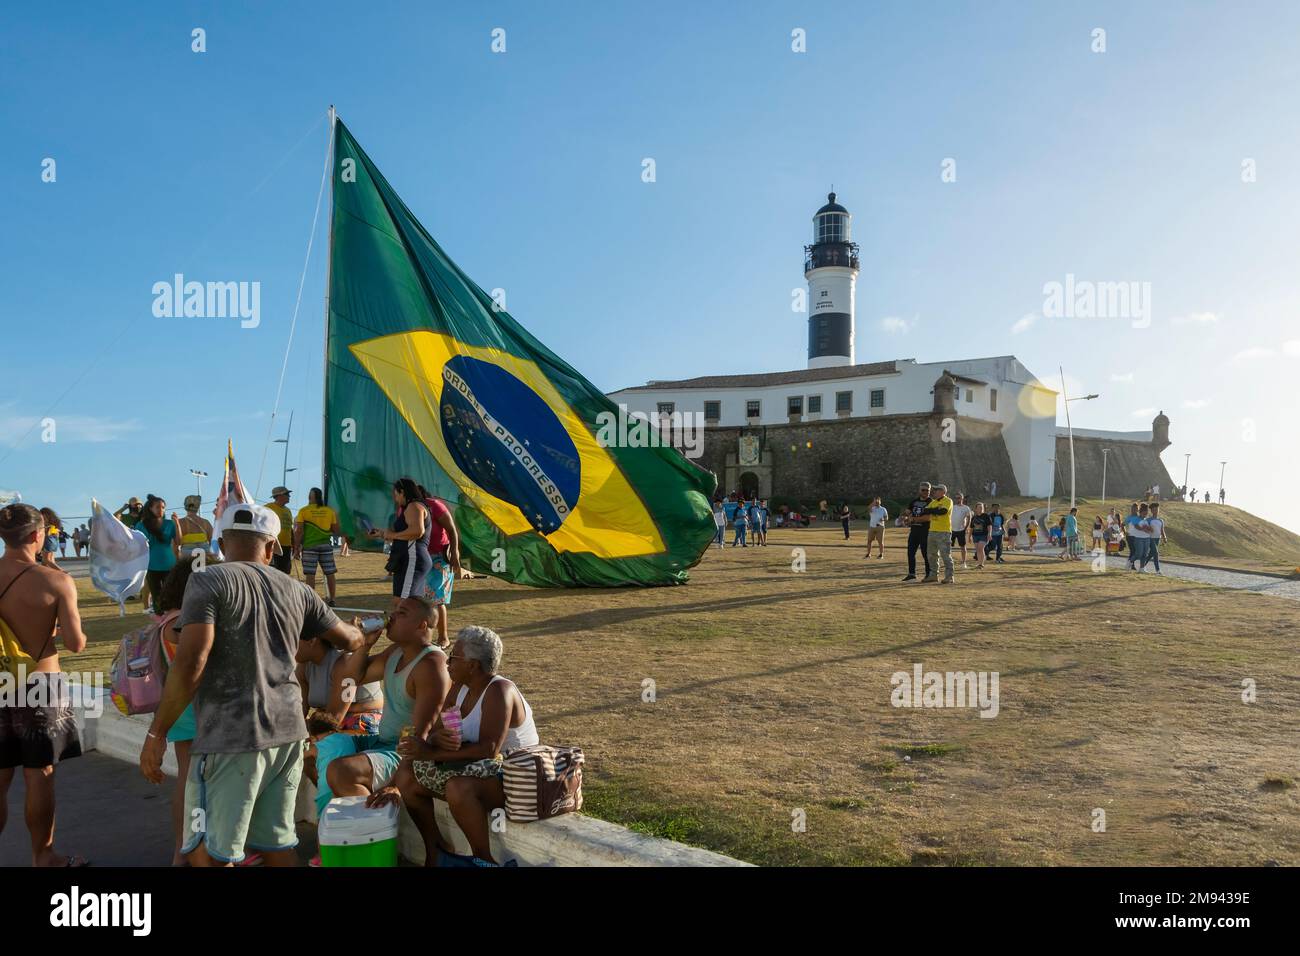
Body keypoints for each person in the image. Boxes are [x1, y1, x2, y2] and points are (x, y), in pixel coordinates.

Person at [140, 503, 363, 866]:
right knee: (276, 845)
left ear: (223, 544)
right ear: (272, 547)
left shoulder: (207, 580)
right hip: (288, 733)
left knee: (210, 852)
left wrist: (156, 734)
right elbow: (346, 639)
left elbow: (192, 661)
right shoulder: (298, 590)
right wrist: (361, 633)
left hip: (231, 736)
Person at [390, 625, 539, 867]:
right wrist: (434, 741)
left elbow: (489, 749)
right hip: (478, 770)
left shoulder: (499, 691)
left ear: (473, 665)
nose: (447, 662)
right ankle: (435, 849)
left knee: (458, 788)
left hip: (516, 778)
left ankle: (484, 859)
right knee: (406, 776)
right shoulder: (459, 688)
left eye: (454, 658)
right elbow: (438, 731)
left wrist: (431, 751)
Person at [0, 503, 88, 867]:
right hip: (40, 684)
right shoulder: (55, 581)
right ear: (38, 535)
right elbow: (75, 643)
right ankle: (43, 856)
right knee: (40, 774)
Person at [314, 596, 450, 822]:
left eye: (402, 613)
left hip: (405, 752)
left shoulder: (431, 665)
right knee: (324, 747)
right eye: (395, 610)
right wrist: (364, 645)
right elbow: (351, 678)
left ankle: (369, 836)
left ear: (422, 625)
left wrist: (399, 785)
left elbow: (420, 735)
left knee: (341, 771)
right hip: (383, 741)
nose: (392, 615)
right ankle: (330, 832)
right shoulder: (396, 652)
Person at [153, 555, 213, 865]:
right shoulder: (190, 619)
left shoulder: (165, 619)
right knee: (202, 786)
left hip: (177, 707)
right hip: (199, 708)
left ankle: (181, 852)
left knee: (187, 783)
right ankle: (193, 851)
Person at [369, 478, 431, 608]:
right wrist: (382, 533)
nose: (395, 498)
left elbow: (417, 531)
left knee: (404, 604)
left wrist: (393, 535)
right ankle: (417, 627)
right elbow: (406, 533)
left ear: (402, 492)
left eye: (396, 494)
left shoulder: (414, 506)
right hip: (406, 560)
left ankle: (414, 627)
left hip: (413, 559)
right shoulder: (410, 507)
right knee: (404, 602)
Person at [417, 485, 464, 647]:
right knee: (420, 599)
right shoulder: (407, 509)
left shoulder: (434, 505)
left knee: (437, 599)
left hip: (439, 558)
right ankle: (423, 636)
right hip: (420, 557)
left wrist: (455, 554)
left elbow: (452, 530)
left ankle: (443, 637)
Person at [295, 488, 340, 607]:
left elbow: (299, 531)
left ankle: (312, 601)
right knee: (330, 573)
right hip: (326, 545)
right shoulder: (330, 511)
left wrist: (296, 547)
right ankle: (333, 599)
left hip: (310, 546)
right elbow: (336, 530)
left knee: (310, 574)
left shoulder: (303, 511)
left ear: (310, 497)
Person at [139, 495, 180, 611]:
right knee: (157, 596)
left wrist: (177, 524)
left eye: (163, 507)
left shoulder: (169, 524)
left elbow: (178, 541)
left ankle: (171, 620)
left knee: (171, 594)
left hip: (169, 564)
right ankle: (160, 621)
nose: (160, 510)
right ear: (150, 509)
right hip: (151, 565)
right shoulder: (142, 525)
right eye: (157, 507)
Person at [920, 483, 954, 584]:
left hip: (944, 531)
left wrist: (932, 511)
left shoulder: (948, 501)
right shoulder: (934, 502)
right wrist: (935, 510)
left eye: (938, 490)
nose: (935, 492)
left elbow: (943, 511)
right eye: (935, 490)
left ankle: (949, 576)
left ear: (943, 492)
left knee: (945, 555)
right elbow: (924, 511)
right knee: (931, 554)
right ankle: (933, 575)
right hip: (932, 531)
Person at [902, 482, 933, 582]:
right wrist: (906, 518)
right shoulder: (914, 501)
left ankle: (928, 574)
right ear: (919, 490)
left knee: (926, 554)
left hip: (925, 531)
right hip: (914, 531)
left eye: (927, 490)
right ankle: (912, 574)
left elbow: (928, 518)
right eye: (923, 490)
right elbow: (907, 512)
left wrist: (913, 519)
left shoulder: (931, 502)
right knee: (910, 552)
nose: (925, 492)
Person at [263, 486, 295, 575]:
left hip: (286, 546)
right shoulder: (268, 508)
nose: (289, 496)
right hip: (273, 546)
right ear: (279, 496)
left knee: (285, 572)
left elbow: (290, 528)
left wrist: (294, 543)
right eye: (287, 494)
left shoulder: (288, 510)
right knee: (272, 572)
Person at [176, 495, 213, 562]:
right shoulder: (206, 522)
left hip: (187, 554)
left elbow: (177, 542)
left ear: (185, 506)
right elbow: (213, 541)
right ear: (198, 507)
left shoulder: (180, 522)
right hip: (204, 553)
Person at [1141, 502, 1167, 573]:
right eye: (1154, 509)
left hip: (1157, 539)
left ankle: (1142, 566)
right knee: (1156, 553)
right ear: (1152, 511)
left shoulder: (1161, 520)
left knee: (1152, 553)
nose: (1156, 511)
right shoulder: (1148, 520)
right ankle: (1158, 570)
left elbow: (1162, 530)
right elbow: (1144, 528)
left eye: (1157, 509)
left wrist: (1164, 537)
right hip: (1150, 538)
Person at [949, 493, 971, 568]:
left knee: (963, 547)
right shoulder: (952, 507)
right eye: (956, 498)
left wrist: (965, 528)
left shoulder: (966, 508)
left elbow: (969, 518)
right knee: (948, 546)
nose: (957, 499)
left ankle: (963, 562)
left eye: (959, 498)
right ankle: (949, 562)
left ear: (962, 499)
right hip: (951, 530)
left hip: (961, 530)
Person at [1123, 503, 1147, 571]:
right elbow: (1122, 525)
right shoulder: (1129, 517)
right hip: (1130, 536)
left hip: (1138, 537)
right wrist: (1125, 532)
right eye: (1132, 508)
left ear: (1138, 509)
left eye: (1135, 509)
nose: (1133, 510)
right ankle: (1131, 565)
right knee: (1133, 551)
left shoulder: (1139, 517)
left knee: (1137, 552)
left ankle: (1133, 564)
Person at [969, 502, 991, 568]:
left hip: (984, 535)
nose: (981, 509)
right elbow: (971, 528)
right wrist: (969, 536)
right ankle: (979, 563)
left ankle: (982, 564)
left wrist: (989, 534)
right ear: (976, 509)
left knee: (980, 548)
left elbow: (989, 526)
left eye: (982, 507)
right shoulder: (973, 518)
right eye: (979, 507)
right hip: (975, 535)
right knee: (977, 550)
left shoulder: (986, 516)